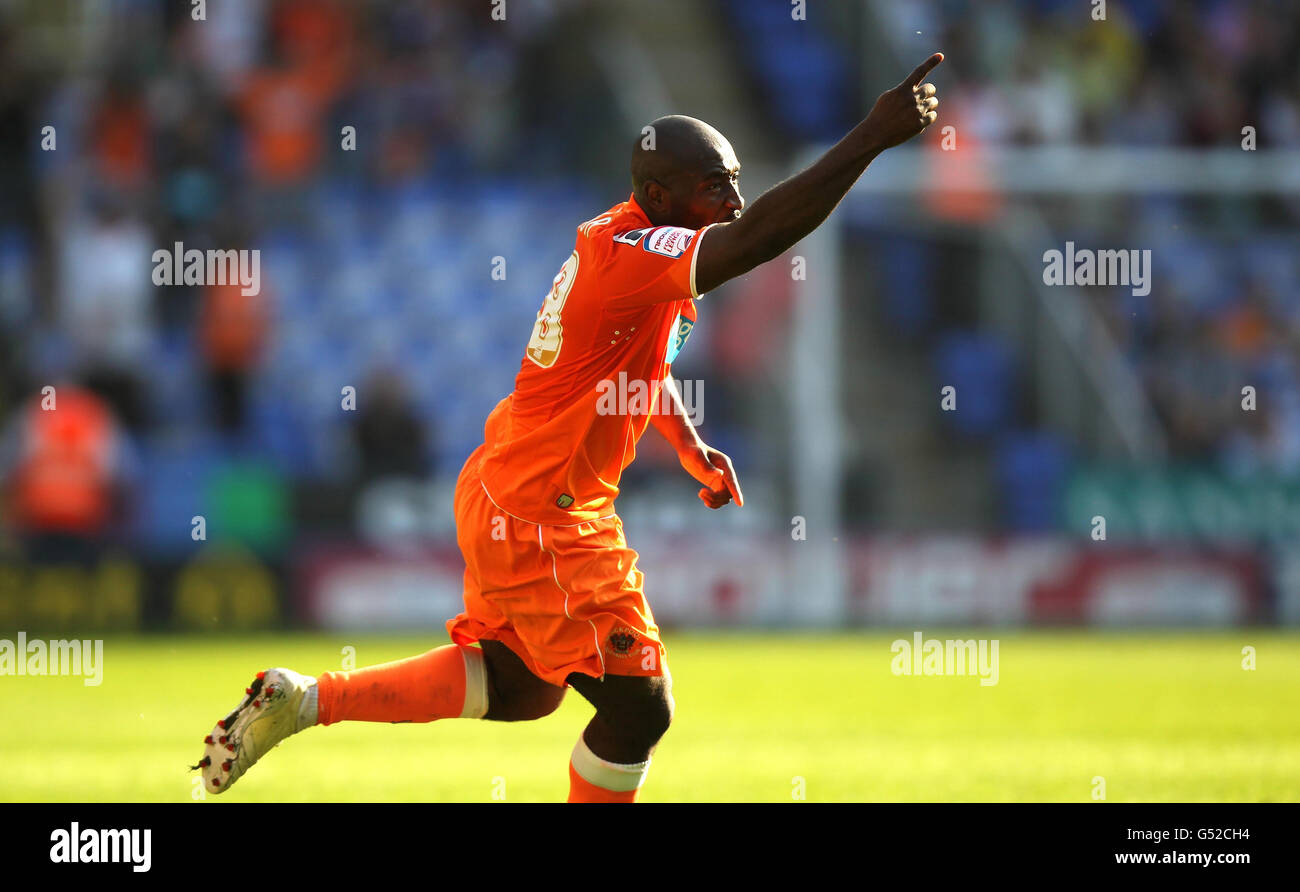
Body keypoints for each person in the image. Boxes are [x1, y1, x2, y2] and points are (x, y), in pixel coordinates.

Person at [195, 53, 944, 801]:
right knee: (639, 706)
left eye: (737, 180)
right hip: (542, 513)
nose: (736, 201)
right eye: (717, 187)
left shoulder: (637, 249)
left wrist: (688, 446)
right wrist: (870, 138)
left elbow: (641, 366)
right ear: (658, 195)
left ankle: (308, 700)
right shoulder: (629, 256)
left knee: (522, 687)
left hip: (512, 490)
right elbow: (757, 243)